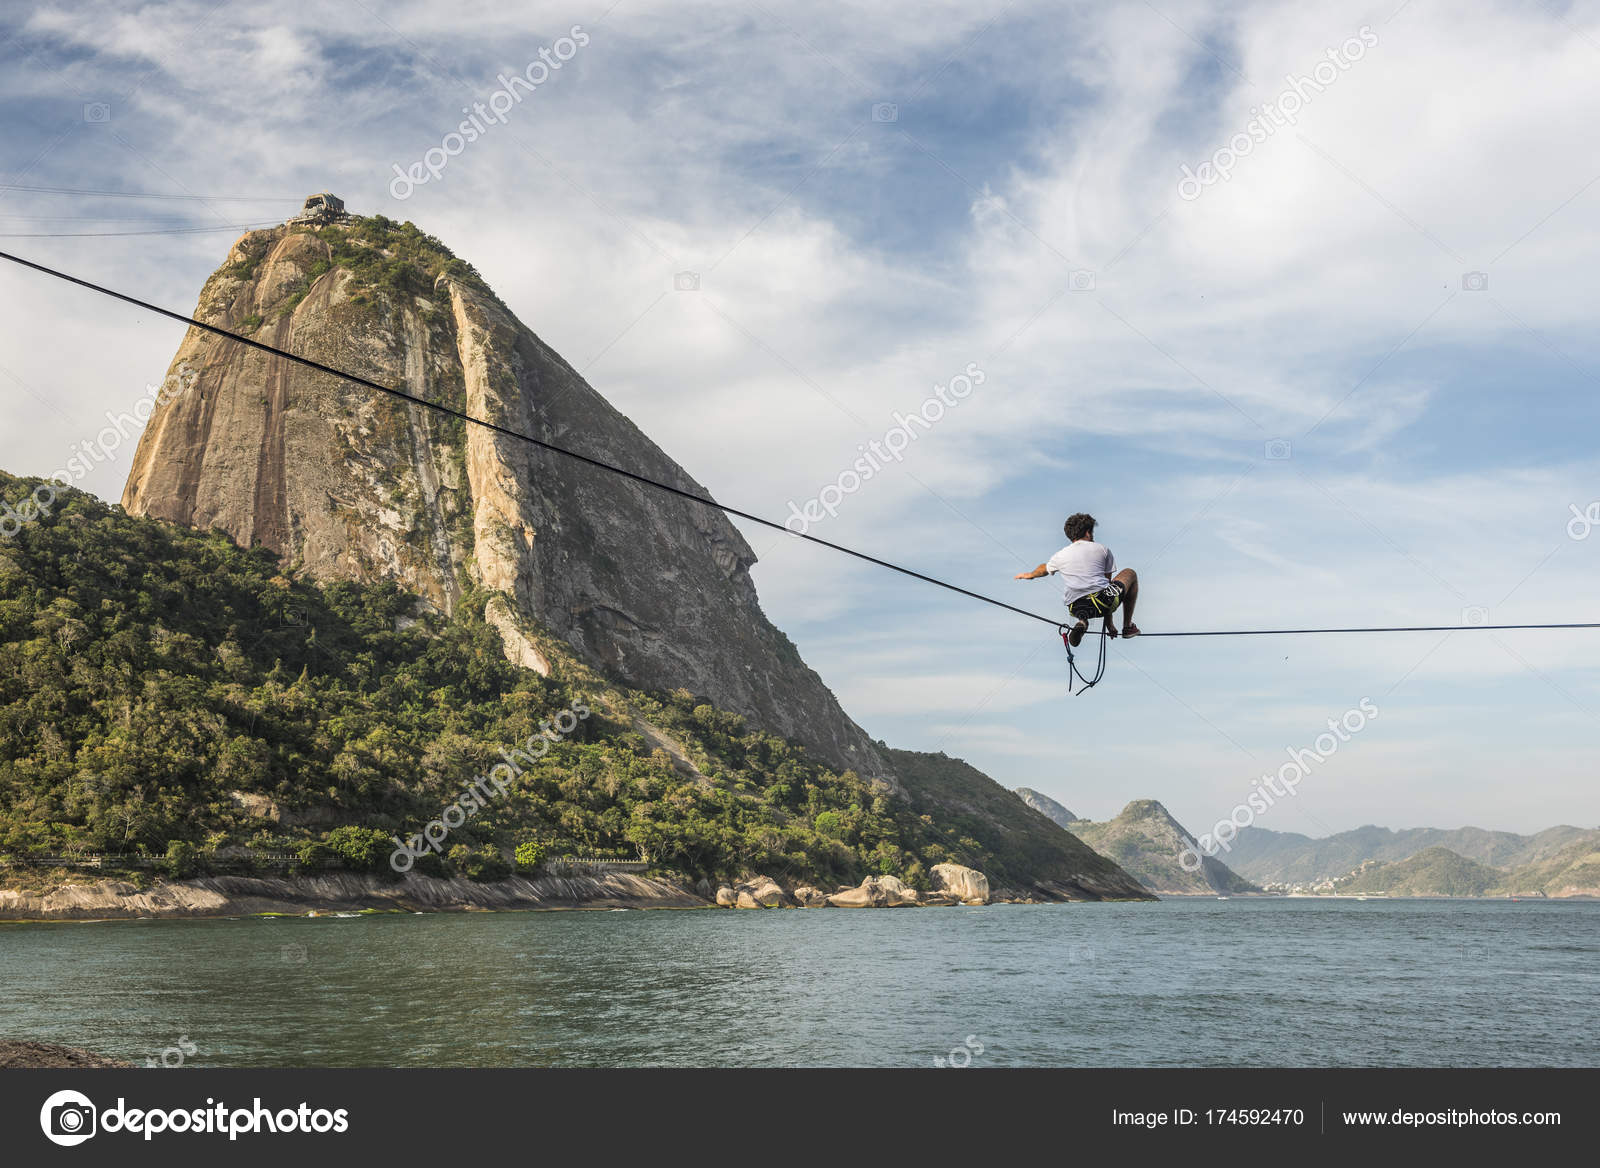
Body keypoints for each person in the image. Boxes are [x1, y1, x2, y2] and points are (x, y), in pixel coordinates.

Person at [1015, 512, 1139, 647]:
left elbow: (1044, 568)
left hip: (1075, 607)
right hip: (1102, 602)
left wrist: (1031, 574)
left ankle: (1082, 623)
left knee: (1080, 595)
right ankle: (1127, 627)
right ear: (1087, 533)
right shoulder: (1102, 550)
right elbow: (1107, 585)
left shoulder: (1061, 555)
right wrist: (1109, 623)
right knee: (1130, 573)